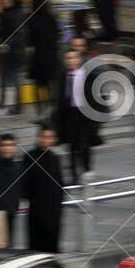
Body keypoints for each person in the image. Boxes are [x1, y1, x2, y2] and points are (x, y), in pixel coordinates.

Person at [55, 49, 97, 182]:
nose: (71, 61)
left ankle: (87, 171)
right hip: (69, 115)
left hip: (84, 115)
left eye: (73, 58)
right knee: (72, 147)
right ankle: (74, 175)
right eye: (68, 58)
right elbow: (59, 98)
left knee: (85, 146)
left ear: (79, 60)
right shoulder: (62, 75)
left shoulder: (86, 75)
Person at [25, 125, 66, 253]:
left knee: (52, 240)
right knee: (37, 242)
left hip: (53, 209)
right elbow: (26, 182)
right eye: (43, 137)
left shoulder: (55, 158)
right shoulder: (30, 156)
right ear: (38, 138)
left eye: (49, 137)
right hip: (36, 208)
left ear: (53, 140)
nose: (46, 140)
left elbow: (60, 183)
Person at [0, 134, 26, 242]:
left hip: (11, 211)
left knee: (9, 243)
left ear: (15, 147)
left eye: (10, 145)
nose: (7, 148)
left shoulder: (19, 168)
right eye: (4, 145)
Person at [0, 0, 28, 114]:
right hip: (6, 52)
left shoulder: (16, 14)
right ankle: (2, 105)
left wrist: (7, 44)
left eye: (6, 0)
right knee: (3, 81)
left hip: (15, 53)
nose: (3, 2)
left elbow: (18, 34)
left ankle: (18, 106)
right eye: (2, 0)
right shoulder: (4, 13)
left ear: (12, 0)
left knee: (14, 81)